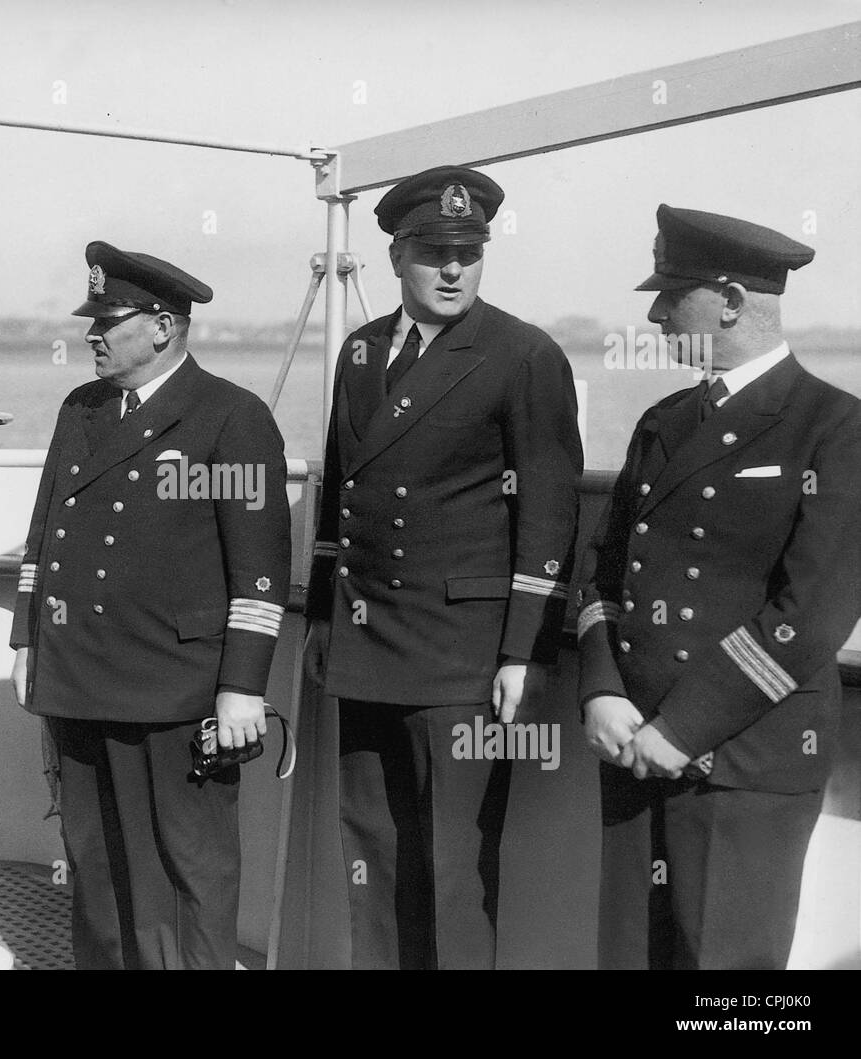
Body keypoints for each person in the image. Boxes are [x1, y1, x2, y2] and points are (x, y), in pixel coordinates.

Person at [303, 166, 583, 969]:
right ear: (396, 255)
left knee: (454, 867)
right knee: (375, 851)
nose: (454, 268)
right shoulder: (361, 352)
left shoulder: (521, 354)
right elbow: (341, 492)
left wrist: (520, 650)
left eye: (468, 251)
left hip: (461, 655)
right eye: (434, 252)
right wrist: (325, 614)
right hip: (365, 646)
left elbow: (549, 510)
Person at [577, 204, 861, 970]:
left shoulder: (836, 428)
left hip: (744, 763)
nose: (656, 311)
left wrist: (681, 729)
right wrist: (602, 689)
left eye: (674, 292)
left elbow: (812, 616)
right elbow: (603, 573)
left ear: (731, 301)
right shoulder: (664, 420)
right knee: (633, 958)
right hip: (636, 748)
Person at [9, 241, 291, 970]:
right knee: (95, 875)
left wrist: (242, 687)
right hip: (78, 680)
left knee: (186, 876)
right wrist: (26, 640)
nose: (91, 334)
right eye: (91, 319)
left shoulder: (230, 418)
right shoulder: (83, 409)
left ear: (163, 326)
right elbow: (45, 532)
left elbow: (259, 571)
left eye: (109, 319)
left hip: (175, 691)